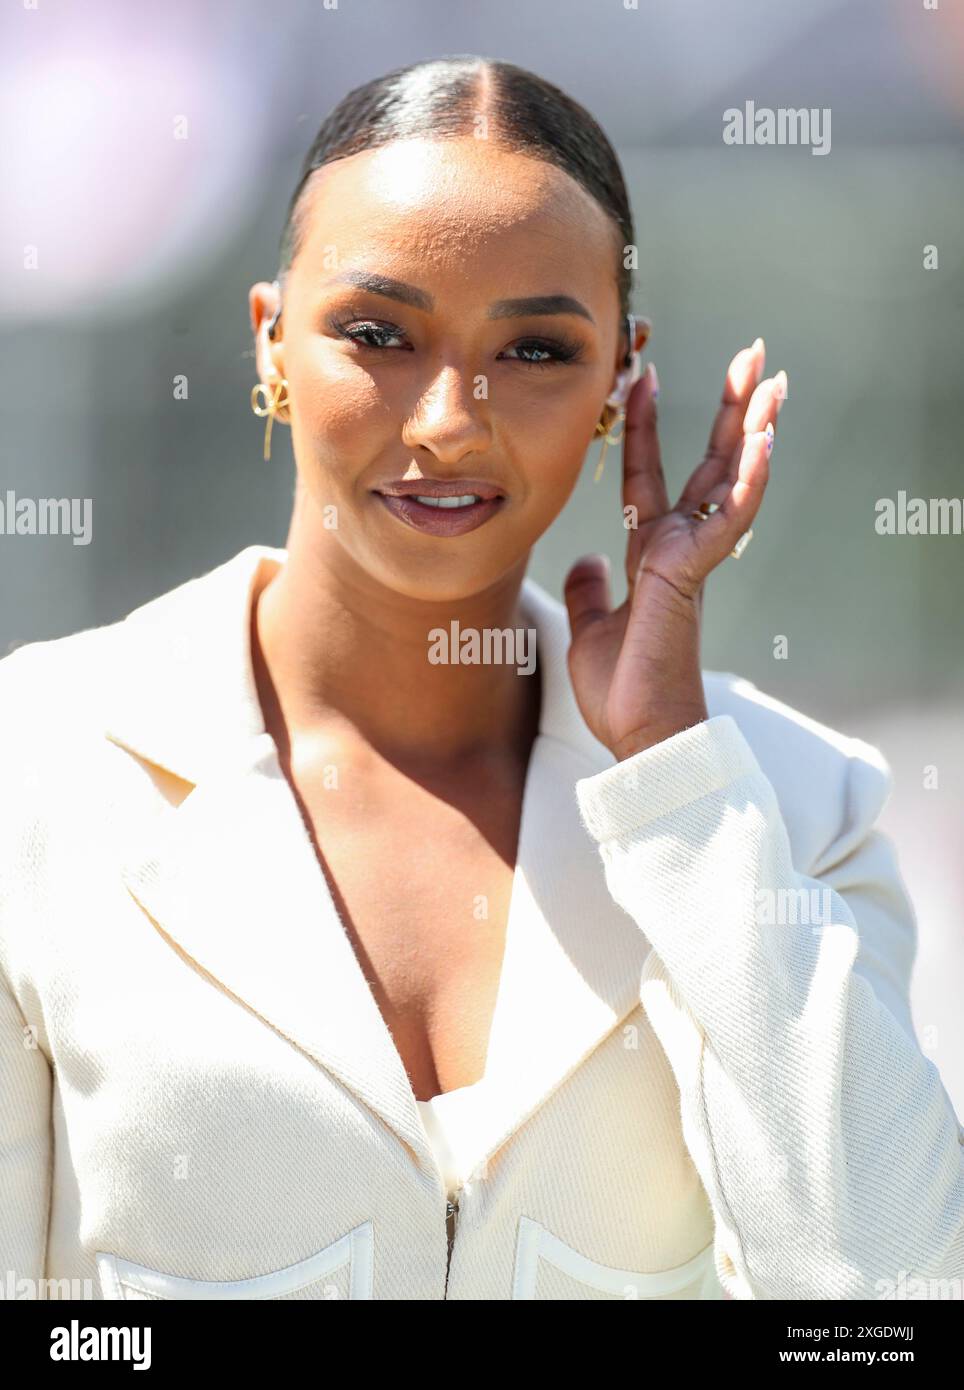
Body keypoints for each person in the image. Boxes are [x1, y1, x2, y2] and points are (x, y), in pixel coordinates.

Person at [2, 56, 962, 1303]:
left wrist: (676, 779)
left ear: (624, 379)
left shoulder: (789, 805)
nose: (449, 420)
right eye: (377, 333)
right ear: (270, 339)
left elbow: (885, 1297)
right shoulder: (37, 767)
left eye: (535, 349)